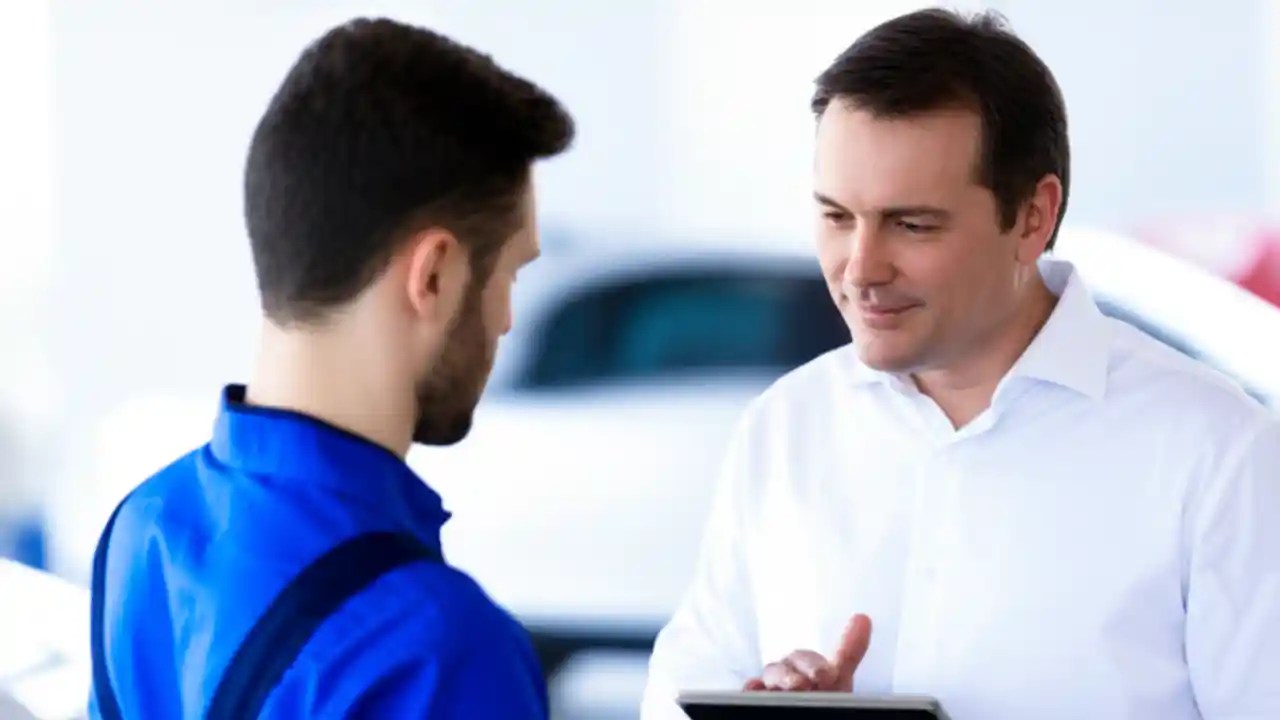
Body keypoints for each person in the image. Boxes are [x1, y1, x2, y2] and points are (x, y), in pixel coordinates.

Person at [642, 9, 1280, 720]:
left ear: (1033, 217)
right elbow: (676, 699)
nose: (860, 268)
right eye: (836, 217)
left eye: (912, 224)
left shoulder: (1217, 454)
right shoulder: (786, 428)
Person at [89, 17, 573, 719]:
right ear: (434, 275)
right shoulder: (439, 651)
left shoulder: (144, 528)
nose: (506, 319)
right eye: (511, 274)